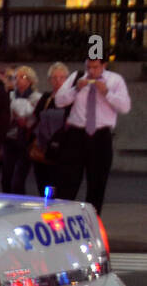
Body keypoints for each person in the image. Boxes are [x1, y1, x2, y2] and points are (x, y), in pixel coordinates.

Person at [52, 55, 131, 212]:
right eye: (89, 67)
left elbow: (125, 107)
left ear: (104, 65)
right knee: (68, 181)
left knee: (97, 183)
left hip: (100, 135)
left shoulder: (115, 80)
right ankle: (62, 217)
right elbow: (59, 101)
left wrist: (107, 92)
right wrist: (76, 89)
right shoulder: (77, 77)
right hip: (76, 134)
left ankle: (93, 219)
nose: (91, 71)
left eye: (95, 67)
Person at [28, 62, 71, 196]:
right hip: (44, 146)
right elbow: (36, 118)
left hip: (63, 148)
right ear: (49, 80)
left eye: (62, 77)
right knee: (43, 185)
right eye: (54, 78)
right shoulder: (46, 98)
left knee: (60, 188)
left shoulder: (71, 99)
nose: (58, 81)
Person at [0, 65, 41, 195]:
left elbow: (37, 119)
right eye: (15, 77)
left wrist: (27, 122)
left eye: (22, 77)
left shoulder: (36, 97)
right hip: (10, 139)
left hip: (26, 141)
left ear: (30, 80)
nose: (18, 80)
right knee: (6, 179)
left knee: (17, 181)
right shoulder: (10, 96)